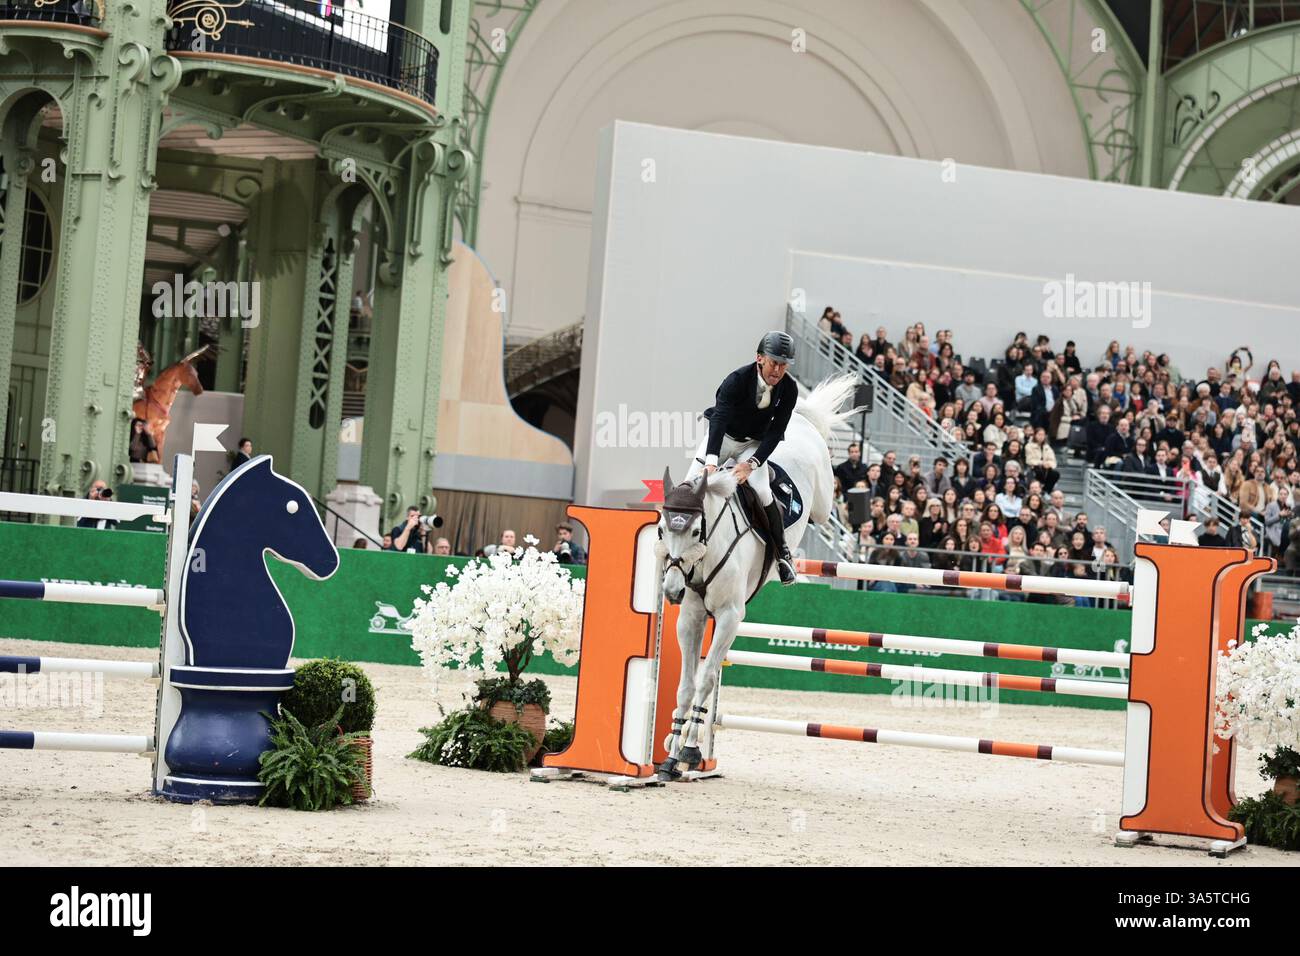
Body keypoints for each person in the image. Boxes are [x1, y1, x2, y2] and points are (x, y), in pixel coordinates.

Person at [697, 331, 799, 584]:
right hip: (722, 437)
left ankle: (782, 553)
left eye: (783, 365)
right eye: (774, 362)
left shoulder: (789, 389)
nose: (778, 370)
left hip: (752, 443)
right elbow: (719, 420)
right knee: (693, 483)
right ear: (759, 359)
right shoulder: (736, 380)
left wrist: (752, 464)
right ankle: (675, 545)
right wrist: (711, 461)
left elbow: (777, 431)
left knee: (763, 491)